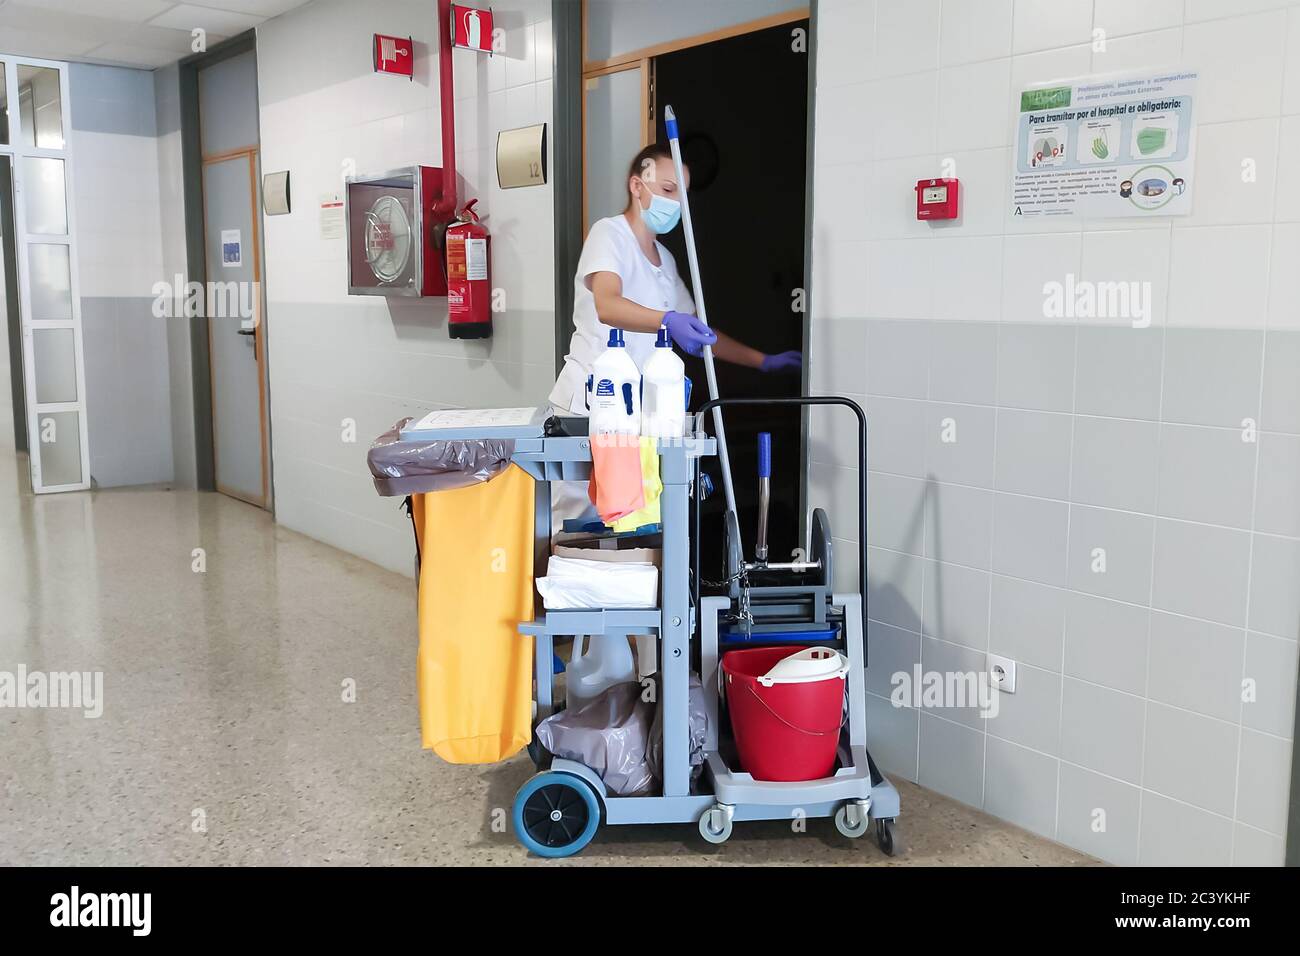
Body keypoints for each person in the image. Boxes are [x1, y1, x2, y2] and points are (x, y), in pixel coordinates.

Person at [548, 142, 801, 416]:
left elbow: (700, 330)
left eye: (683, 194)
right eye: (668, 189)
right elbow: (607, 306)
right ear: (636, 186)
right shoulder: (608, 234)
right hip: (589, 403)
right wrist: (666, 320)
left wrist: (763, 361)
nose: (676, 202)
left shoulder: (665, 259)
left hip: (633, 407)